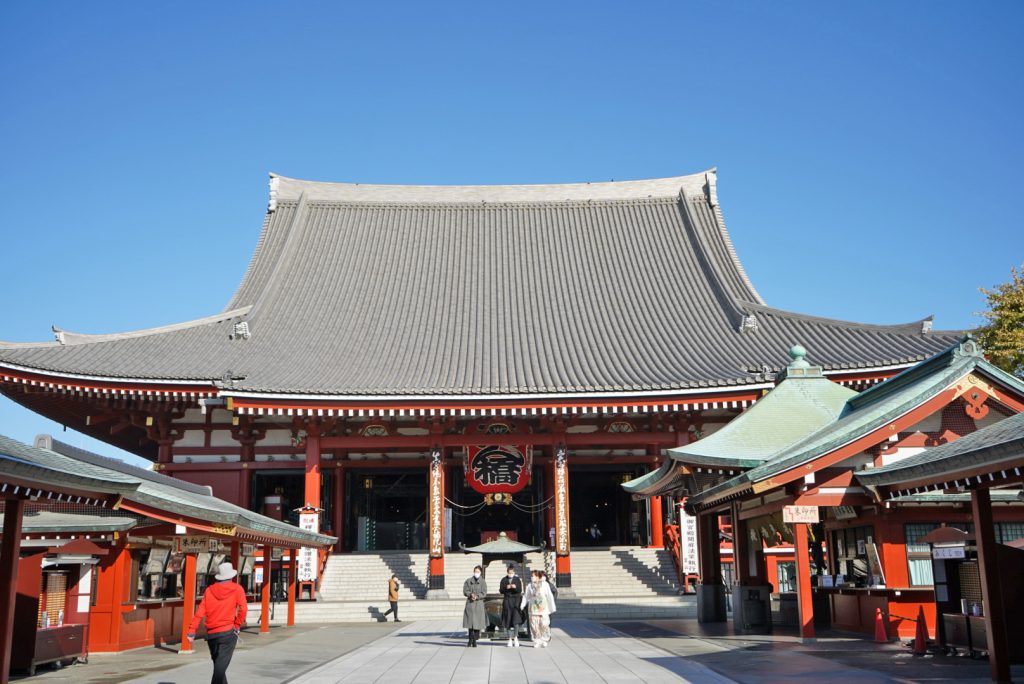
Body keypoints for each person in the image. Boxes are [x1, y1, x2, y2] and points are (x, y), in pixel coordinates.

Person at [187, 562, 248, 684]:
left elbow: (200, 611)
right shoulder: (237, 589)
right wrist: (237, 625)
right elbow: (243, 609)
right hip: (228, 633)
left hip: (212, 634)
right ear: (231, 576)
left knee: (219, 666)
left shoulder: (209, 590)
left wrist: (192, 630)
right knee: (220, 668)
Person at [521, 569, 556, 648]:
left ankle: (544, 639)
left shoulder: (545, 584)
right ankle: (537, 640)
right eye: (531, 576)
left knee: (544, 624)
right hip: (533, 608)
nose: (532, 577)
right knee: (534, 625)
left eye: (533, 576)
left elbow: (549, 595)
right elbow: (526, 596)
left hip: (543, 608)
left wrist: (552, 607)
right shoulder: (529, 586)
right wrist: (523, 604)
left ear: (538, 576)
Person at [498, 564, 524, 647]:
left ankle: (515, 637)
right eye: (509, 573)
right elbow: (501, 590)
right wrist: (507, 587)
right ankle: (509, 639)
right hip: (507, 601)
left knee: (516, 620)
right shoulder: (504, 579)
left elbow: (520, 590)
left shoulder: (517, 579)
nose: (510, 574)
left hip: (516, 602)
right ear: (507, 572)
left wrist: (515, 587)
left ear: (514, 572)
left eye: (512, 573)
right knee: (508, 620)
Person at [463, 565, 487, 647]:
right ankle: (470, 639)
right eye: (475, 571)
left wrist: (477, 596)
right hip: (470, 603)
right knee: (470, 623)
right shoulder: (468, 581)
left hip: (479, 604)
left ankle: (474, 639)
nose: (476, 573)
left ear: (480, 572)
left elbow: (484, 593)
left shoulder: (483, 582)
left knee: (477, 623)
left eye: (478, 572)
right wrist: (470, 594)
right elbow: (465, 590)